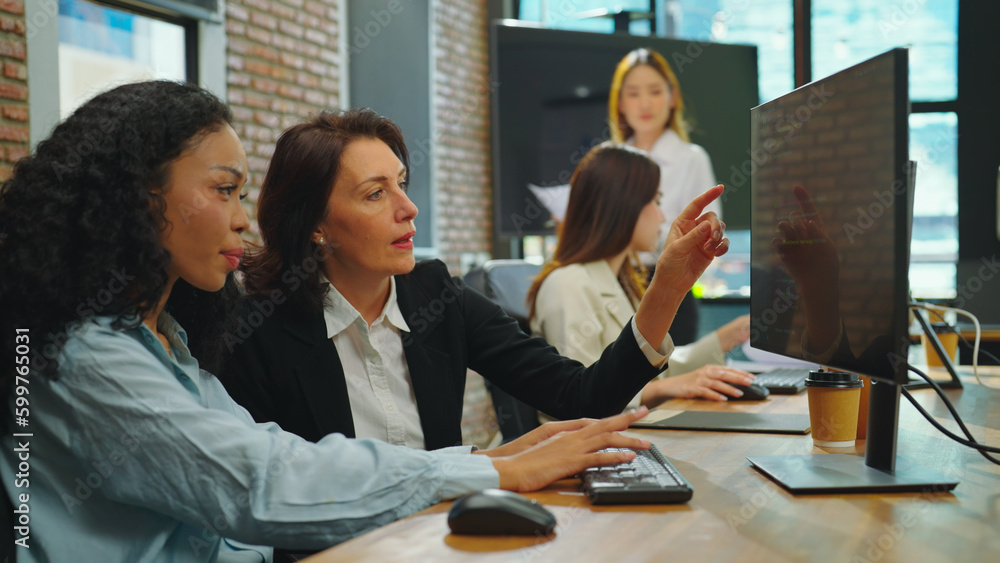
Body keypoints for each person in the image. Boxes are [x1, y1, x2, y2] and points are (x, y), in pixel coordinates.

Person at [0, 80, 656, 562]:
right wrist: (491, 473)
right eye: (224, 189)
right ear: (141, 200)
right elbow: (263, 483)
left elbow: (279, 468)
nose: (239, 218)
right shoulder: (86, 356)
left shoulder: (163, 344)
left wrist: (483, 462)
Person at [218, 109, 730, 452]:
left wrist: (667, 286)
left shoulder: (435, 295)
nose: (409, 208)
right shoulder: (260, 328)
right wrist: (490, 466)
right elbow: (285, 495)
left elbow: (582, 395)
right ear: (315, 225)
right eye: (375, 194)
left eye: (402, 184)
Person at [528, 143, 753, 408]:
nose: (661, 217)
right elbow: (581, 396)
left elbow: (641, 366)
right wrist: (669, 386)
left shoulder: (620, 280)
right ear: (624, 204)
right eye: (656, 202)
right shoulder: (569, 284)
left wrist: (731, 334)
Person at [609, 47, 722, 345]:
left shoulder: (692, 159)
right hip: (612, 282)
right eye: (633, 93)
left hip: (668, 286)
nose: (645, 103)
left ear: (672, 98)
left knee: (669, 379)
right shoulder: (609, 161)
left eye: (655, 91)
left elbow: (705, 231)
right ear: (620, 102)